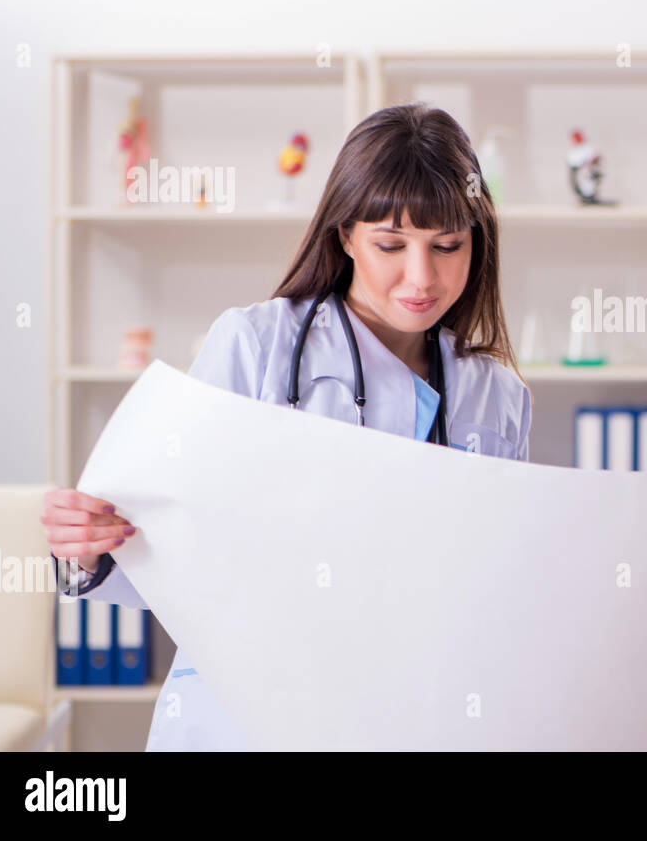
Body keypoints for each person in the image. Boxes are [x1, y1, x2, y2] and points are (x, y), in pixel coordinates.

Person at [42, 103, 532, 750]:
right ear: (345, 235)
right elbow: (169, 544)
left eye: (448, 245)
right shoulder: (255, 346)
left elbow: (502, 586)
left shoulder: (497, 395)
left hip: (413, 718)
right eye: (390, 244)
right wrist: (91, 549)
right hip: (243, 719)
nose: (422, 276)